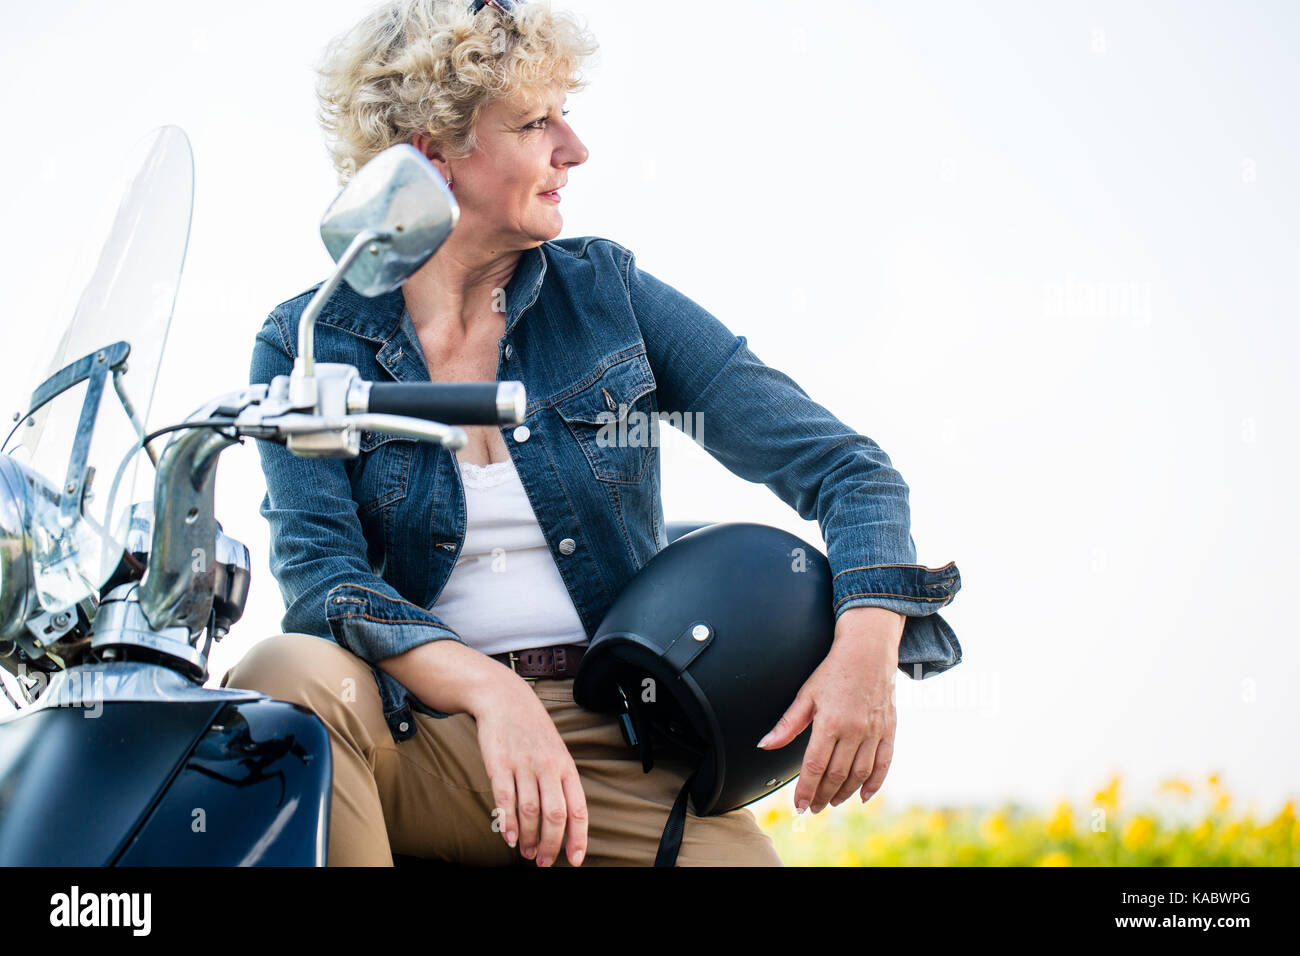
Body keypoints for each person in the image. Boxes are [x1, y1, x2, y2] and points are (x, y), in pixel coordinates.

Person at [221, 0, 950, 867]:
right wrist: (493, 693)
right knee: (284, 674)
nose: (574, 147)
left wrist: (868, 646)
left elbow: (849, 470)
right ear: (431, 154)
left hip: (621, 740)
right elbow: (324, 584)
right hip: (418, 736)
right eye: (536, 122)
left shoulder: (610, 298)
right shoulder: (310, 338)